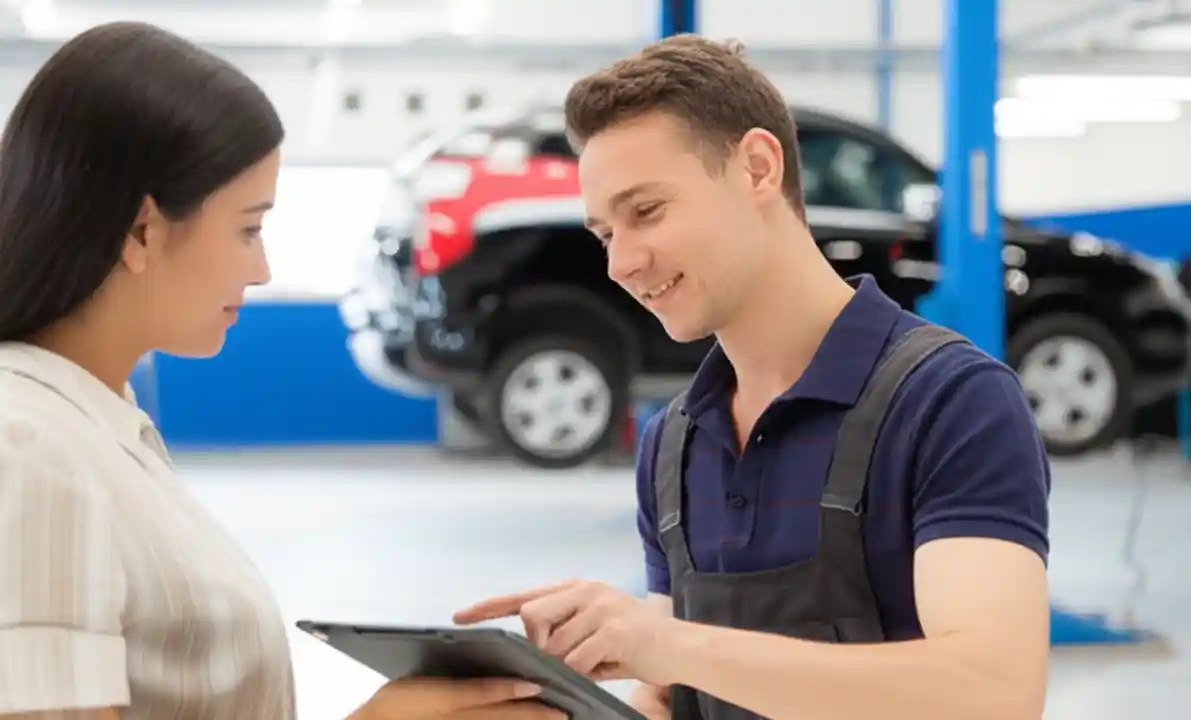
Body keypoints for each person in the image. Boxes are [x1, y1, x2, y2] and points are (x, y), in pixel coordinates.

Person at [455, 34, 1052, 720]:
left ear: (759, 169)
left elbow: (994, 694)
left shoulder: (951, 403)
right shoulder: (675, 443)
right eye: (604, 234)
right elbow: (673, 695)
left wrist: (669, 644)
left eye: (645, 211)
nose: (620, 264)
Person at [0, 21, 562, 720]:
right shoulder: (29, 449)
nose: (261, 269)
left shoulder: (97, 428)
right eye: (248, 227)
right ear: (142, 231)